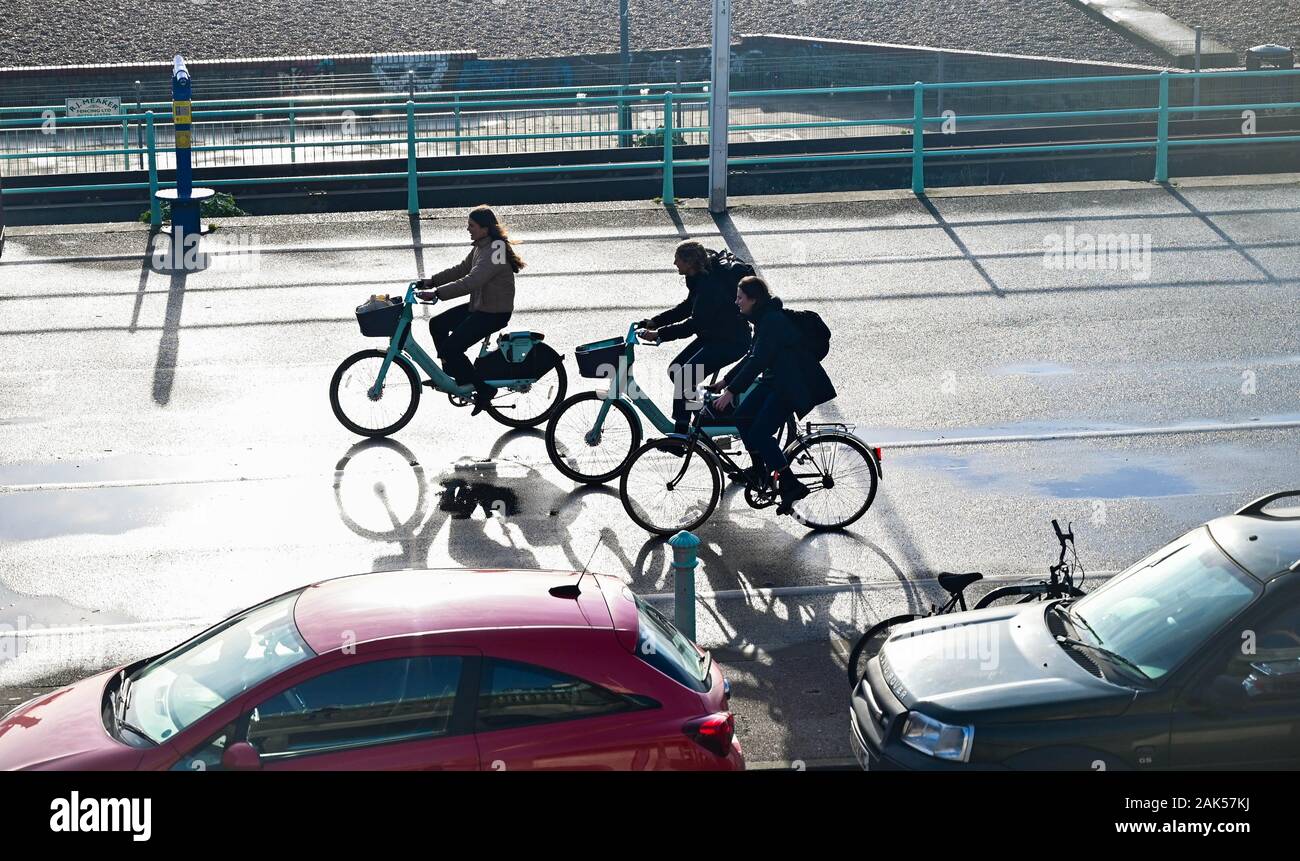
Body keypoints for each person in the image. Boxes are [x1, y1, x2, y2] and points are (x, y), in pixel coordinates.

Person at [710, 276, 836, 515]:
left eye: (740, 297)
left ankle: (791, 484)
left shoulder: (772, 321)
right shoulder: (763, 318)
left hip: (792, 385)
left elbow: (759, 360)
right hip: (775, 380)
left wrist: (731, 392)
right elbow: (751, 356)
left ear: (753, 299)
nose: (736, 301)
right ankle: (760, 471)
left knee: (759, 432)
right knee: (742, 417)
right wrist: (726, 381)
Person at [415, 206, 524, 415]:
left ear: (485, 228)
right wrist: (431, 281)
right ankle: (452, 374)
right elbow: (462, 269)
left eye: (471, 225)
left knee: (451, 348)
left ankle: (483, 389)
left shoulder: (496, 249)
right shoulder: (481, 246)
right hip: (481, 306)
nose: (467, 229)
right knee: (436, 324)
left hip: (494, 312)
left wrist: (438, 293)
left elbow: (473, 281)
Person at [637, 241, 751, 433]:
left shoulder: (709, 286)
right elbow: (686, 308)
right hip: (714, 335)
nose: (674, 263)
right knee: (676, 370)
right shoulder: (697, 278)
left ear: (689, 262)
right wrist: (654, 322)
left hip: (731, 341)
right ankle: (704, 411)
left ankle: (680, 434)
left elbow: (693, 325)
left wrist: (659, 335)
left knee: (685, 376)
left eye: (678, 259)